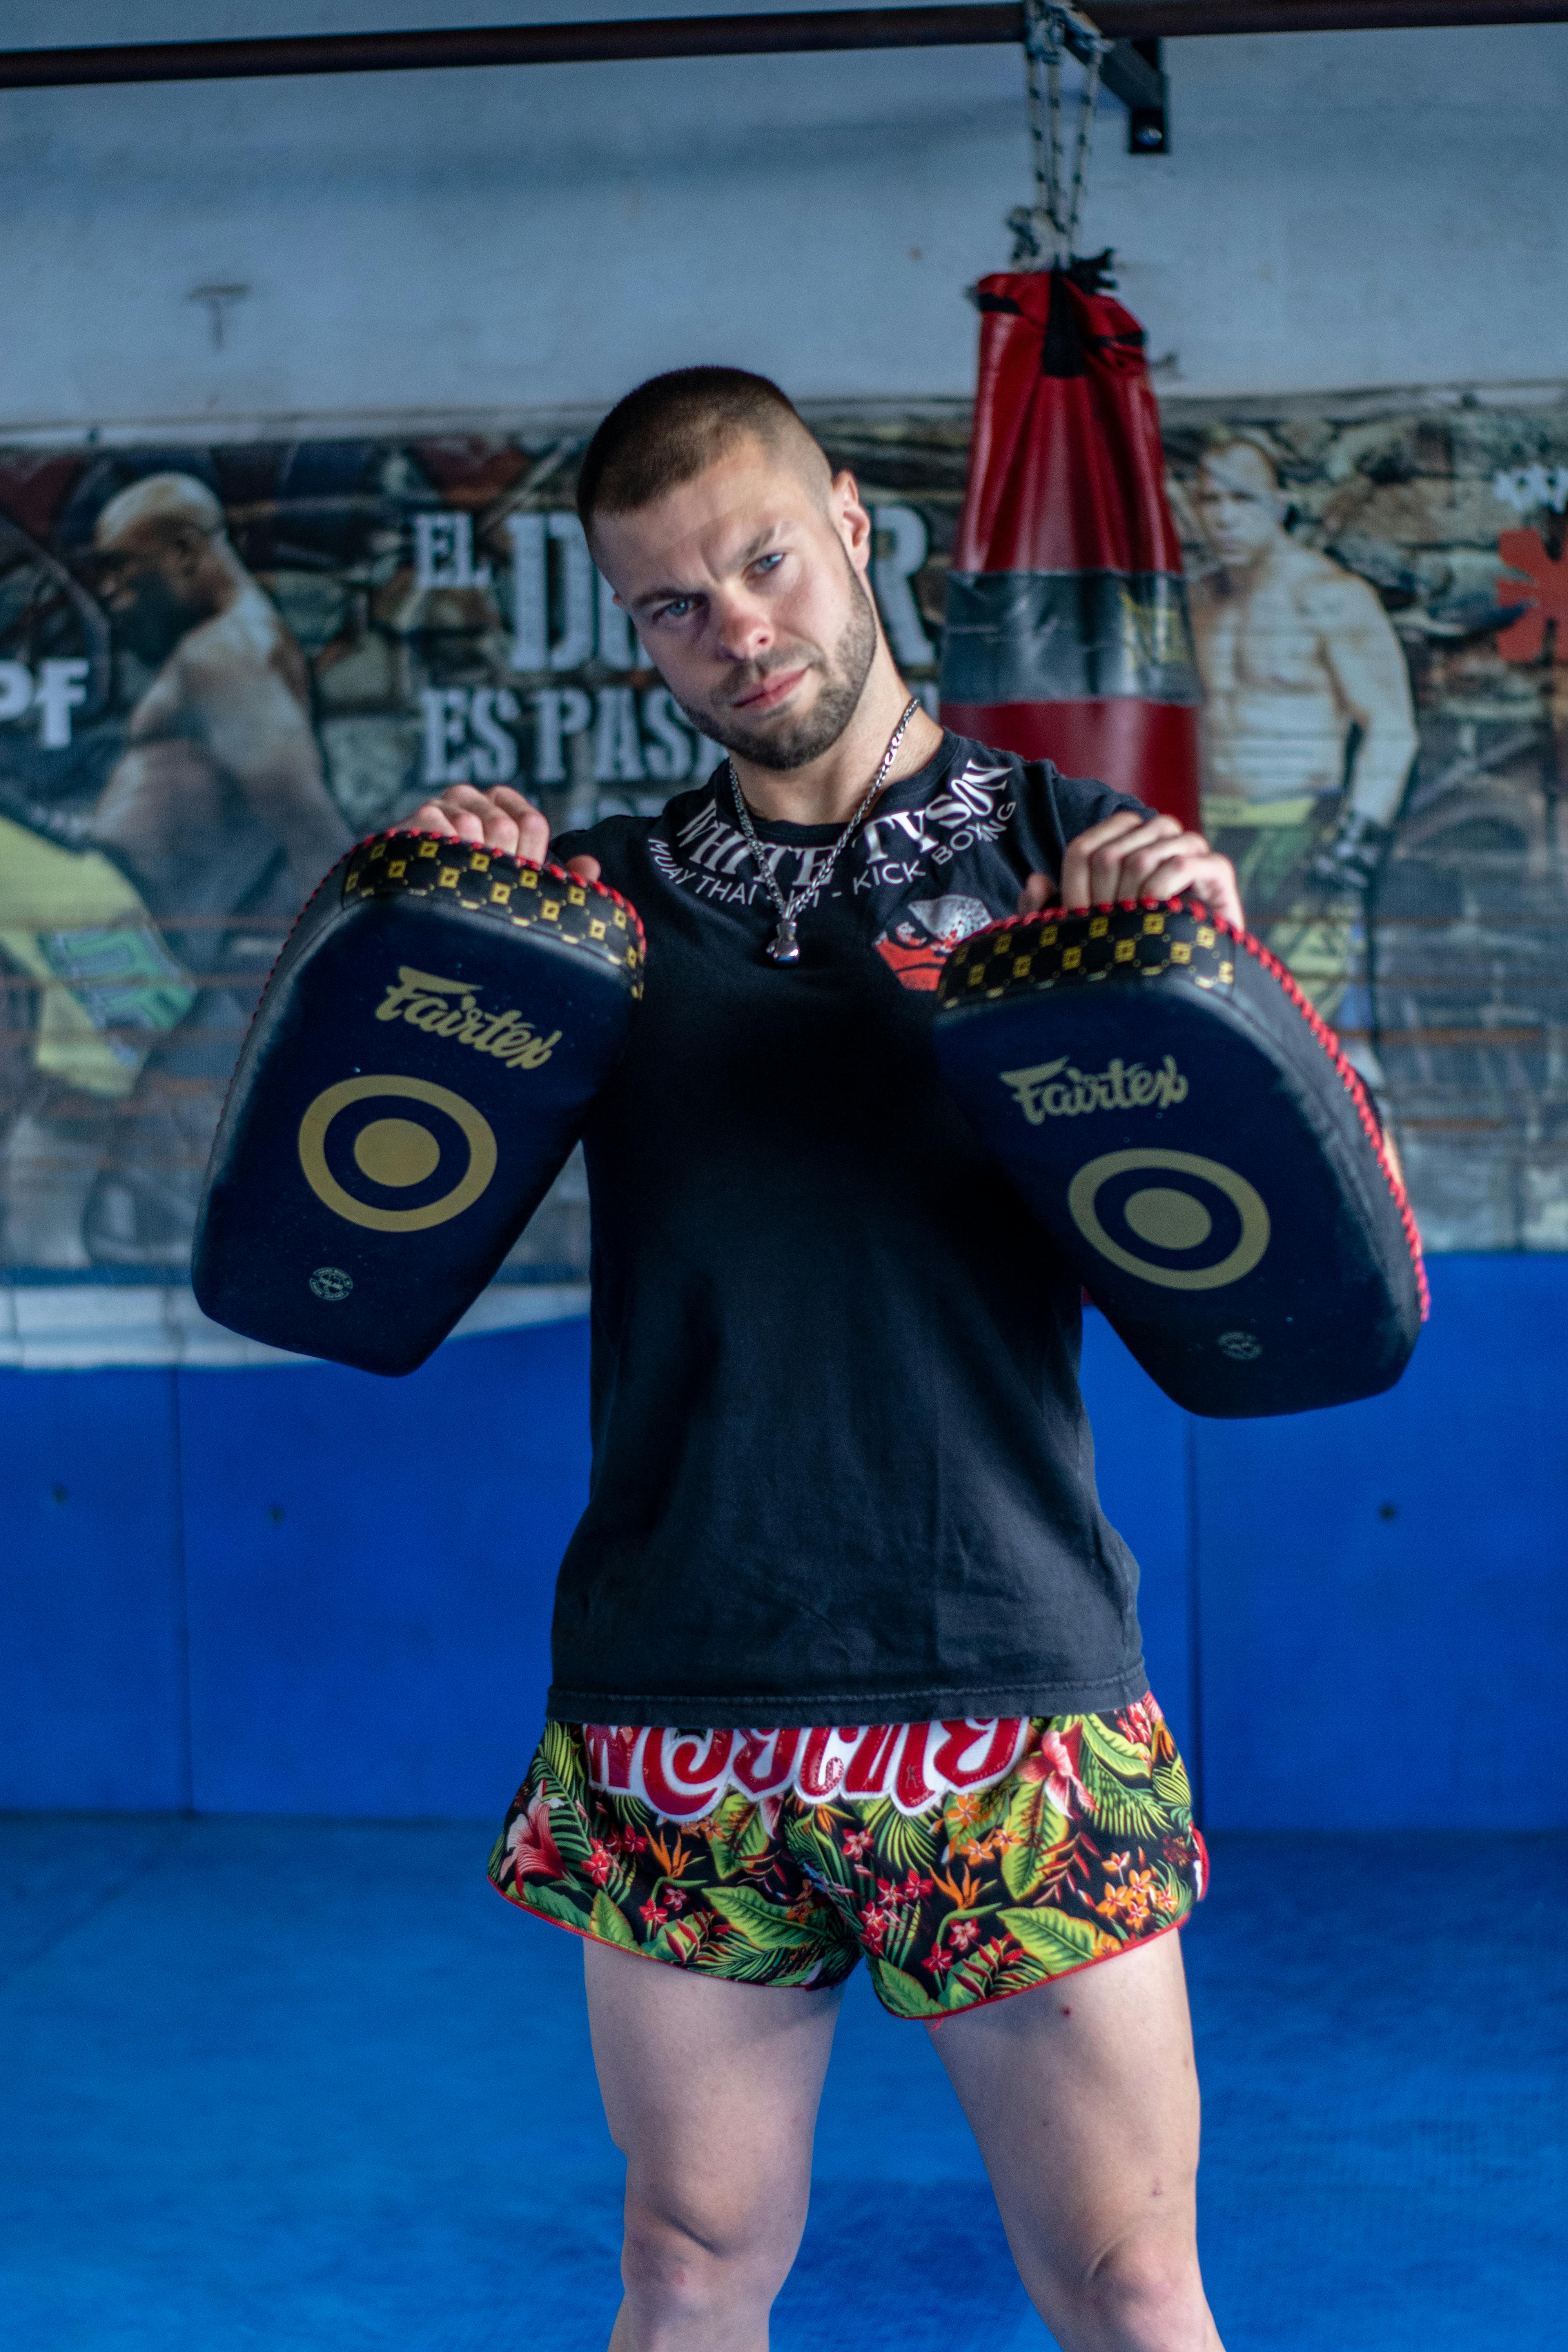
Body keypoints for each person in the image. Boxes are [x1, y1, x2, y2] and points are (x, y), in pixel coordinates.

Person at [408, 368, 1242, 2352]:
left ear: (852, 529)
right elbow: (358, 1192)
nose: (735, 629)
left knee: (1129, 2283)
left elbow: (1257, 1267)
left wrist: (1198, 979)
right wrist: (427, 915)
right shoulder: (584, 907)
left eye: (761, 562)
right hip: (677, 1683)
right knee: (687, 2266)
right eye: (670, 606)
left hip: (1002, 1677)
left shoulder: (1078, 858)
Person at [1, 474, 350, 1266]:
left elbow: (309, 825)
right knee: (48, 1192)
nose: (115, 593)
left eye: (127, 568)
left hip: (104, 914)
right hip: (147, 959)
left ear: (187, 551)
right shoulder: (250, 646)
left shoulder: (225, 660)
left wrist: (351, 982)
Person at [1189, 436, 1418, 1053]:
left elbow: (1392, 727)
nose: (1225, 517)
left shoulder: (1331, 598)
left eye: (1244, 499)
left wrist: (1354, 842)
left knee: (1323, 1031)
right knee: (1225, 1028)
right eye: (1211, 500)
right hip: (1212, 835)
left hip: (1304, 827)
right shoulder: (1196, 601)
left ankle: (1361, 1147)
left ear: (1280, 506)